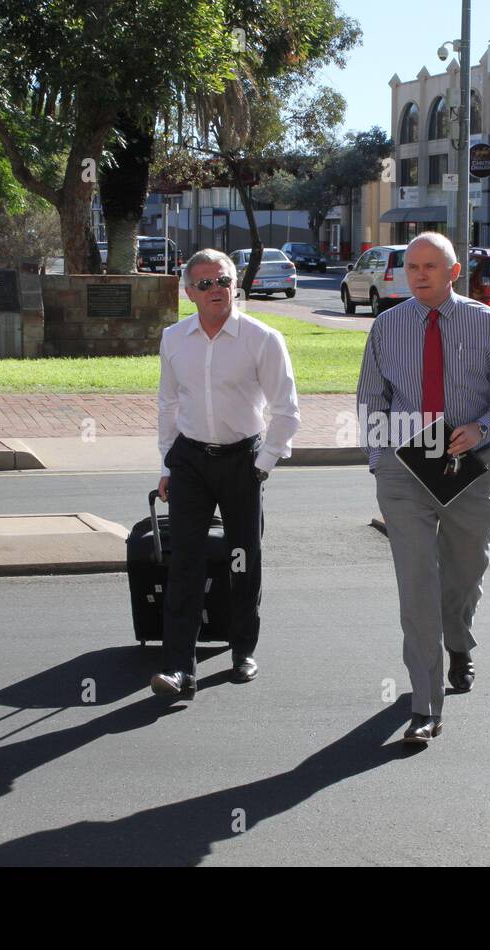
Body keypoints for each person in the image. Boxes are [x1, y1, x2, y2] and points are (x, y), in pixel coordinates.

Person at [356, 232, 490, 745]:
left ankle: (458, 640)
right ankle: (424, 706)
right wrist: (377, 460)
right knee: (417, 585)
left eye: (430, 266)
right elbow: (372, 399)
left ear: (454, 272)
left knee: (464, 571)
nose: (418, 274)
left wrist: (482, 428)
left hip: (466, 466)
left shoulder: (488, 323)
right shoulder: (387, 326)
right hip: (403, 470)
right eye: (412, 266)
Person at [150, 249, 300, 701]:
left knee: (242, 558)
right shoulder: (174, 338)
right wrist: (165, 465)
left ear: (235, 284)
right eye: (205, 284)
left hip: (242, 461)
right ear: (188, 292)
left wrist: (263, 464)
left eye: (224, 280)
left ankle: (242, 649)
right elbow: (168, 405)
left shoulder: (262, 338)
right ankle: (179, 667)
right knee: (185, 562)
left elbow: (286, 411)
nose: (217, 289)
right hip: (190, 461)